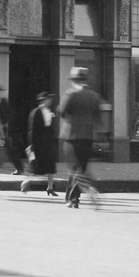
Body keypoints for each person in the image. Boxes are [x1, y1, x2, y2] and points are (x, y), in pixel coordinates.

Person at [58, 67, 105, 209]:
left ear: (74, 80)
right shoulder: (95, 96)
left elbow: (61, 111)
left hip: (71, 136)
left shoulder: (71, 94)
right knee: (80, 167)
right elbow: (98, 117)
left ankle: (90, 191)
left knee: (74, 168)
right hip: (87, 136)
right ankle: (73, 199)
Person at [20, 92, 58, 196]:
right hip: (39, 144)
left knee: (51, 165)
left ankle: (50, 187)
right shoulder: (36, 112)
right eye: (47, 99)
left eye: (50, 99)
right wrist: (31, 145)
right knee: (36, 166)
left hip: (48, 143)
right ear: (42, 100)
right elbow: (32, 130)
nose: (49, 101)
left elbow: (50, 128)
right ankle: (25, 184)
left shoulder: (49, 111)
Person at [0, 86, 25, 174]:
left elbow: (9, 114)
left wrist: (1, 122)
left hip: (0, 128)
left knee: (8, 150)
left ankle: (19, 168)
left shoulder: (1, 101)